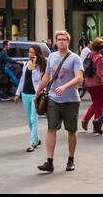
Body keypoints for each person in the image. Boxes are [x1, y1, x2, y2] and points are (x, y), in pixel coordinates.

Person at [35, 30, 83, 173]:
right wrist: (37, 92)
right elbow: (47, 76)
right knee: (51, 128)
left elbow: (79, 77)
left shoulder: (75, 58)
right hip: (54, 100)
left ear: (68, 41)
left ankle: (71, 159)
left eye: (64, 39)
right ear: (56, 42)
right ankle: (49, 161)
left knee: (71, 130)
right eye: (59, 39)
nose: (61, 42)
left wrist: (65, 86)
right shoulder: (52, 57)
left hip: (71, 100)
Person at [14, 45, 45, 151]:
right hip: (25, 95)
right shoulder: (26, 64)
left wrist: (36, 64)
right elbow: (22, 79)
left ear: (37, 54)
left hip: (35, 95)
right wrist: (17, 93)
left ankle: (33, 143)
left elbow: (37, 79)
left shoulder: (40, 66)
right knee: (29, 121)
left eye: (33, 52)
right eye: (29, 52)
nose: (30, 54)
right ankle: (37, 138)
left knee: (33, 119)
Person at [81, 38, 103, 131]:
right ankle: (97, 125)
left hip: (88, 82)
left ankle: (86, 120)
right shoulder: (99, 57)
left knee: (95, 103)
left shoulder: (89, 55)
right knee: (100, 104)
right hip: (97, 83)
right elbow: (99, 72)